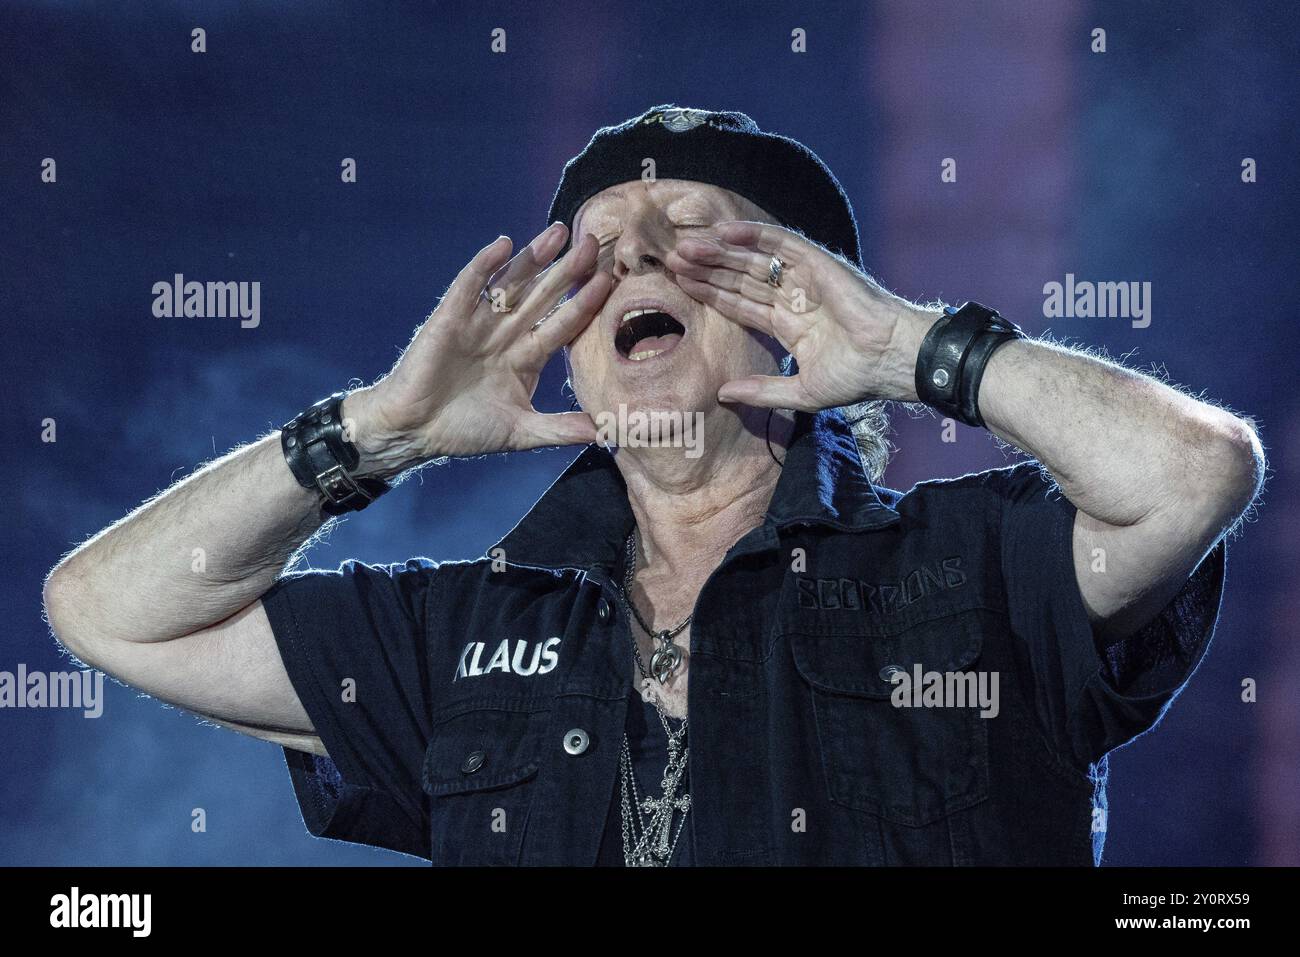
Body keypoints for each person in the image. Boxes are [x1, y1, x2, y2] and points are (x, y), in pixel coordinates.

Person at [43, 105, 1263, 865]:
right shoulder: (463, 631)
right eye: (596, 250)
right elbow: (107, 609)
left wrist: (912, 351)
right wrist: (382, 430)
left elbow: (1194, 472)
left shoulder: (981, 569)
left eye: (688, 232)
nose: (630, 254)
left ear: (793, 313)